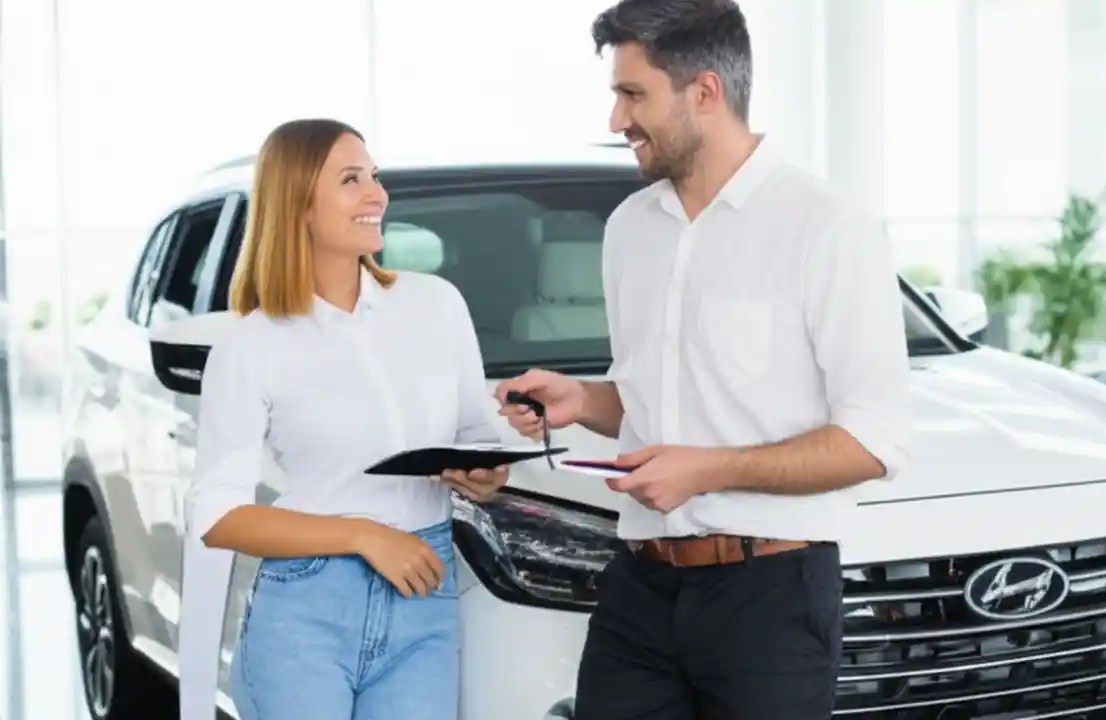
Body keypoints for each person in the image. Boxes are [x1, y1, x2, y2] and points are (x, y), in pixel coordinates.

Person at [495, 1, 912, 718]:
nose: (617, 121)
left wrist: (707, 469)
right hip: (639, 590)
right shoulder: (629, 228)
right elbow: (658, 396)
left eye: (633, 95)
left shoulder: (828, 228)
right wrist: (584, 401)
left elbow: (874, 442)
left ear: (706, 92)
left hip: (770, 600)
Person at [183, 118, 506, 720]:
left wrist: (483, 475)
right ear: (298, 202)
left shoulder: (436, 305)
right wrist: (361, 535)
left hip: (424, 596)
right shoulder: (252, 345)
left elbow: (475, 438)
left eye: (374, 177)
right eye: (351, 179)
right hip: (308, 611)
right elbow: (217, 516)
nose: (377, 195)